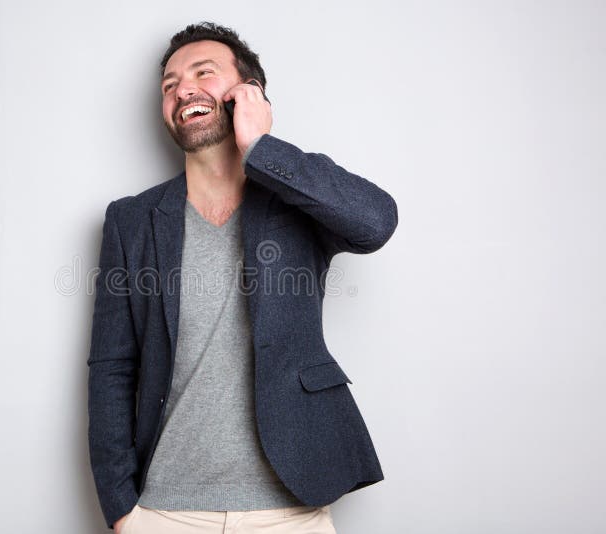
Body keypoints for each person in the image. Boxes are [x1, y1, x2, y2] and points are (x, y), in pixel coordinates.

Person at [87, 21, 398, 533]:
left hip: (290, 511)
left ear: (246, 92)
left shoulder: (297, 201)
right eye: (169, 85)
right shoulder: (131, 220)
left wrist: (263, 149)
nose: (182, 88)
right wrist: (121, 508)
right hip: (166, 511)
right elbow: (112, 367)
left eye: (202, 73)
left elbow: (376, 221)